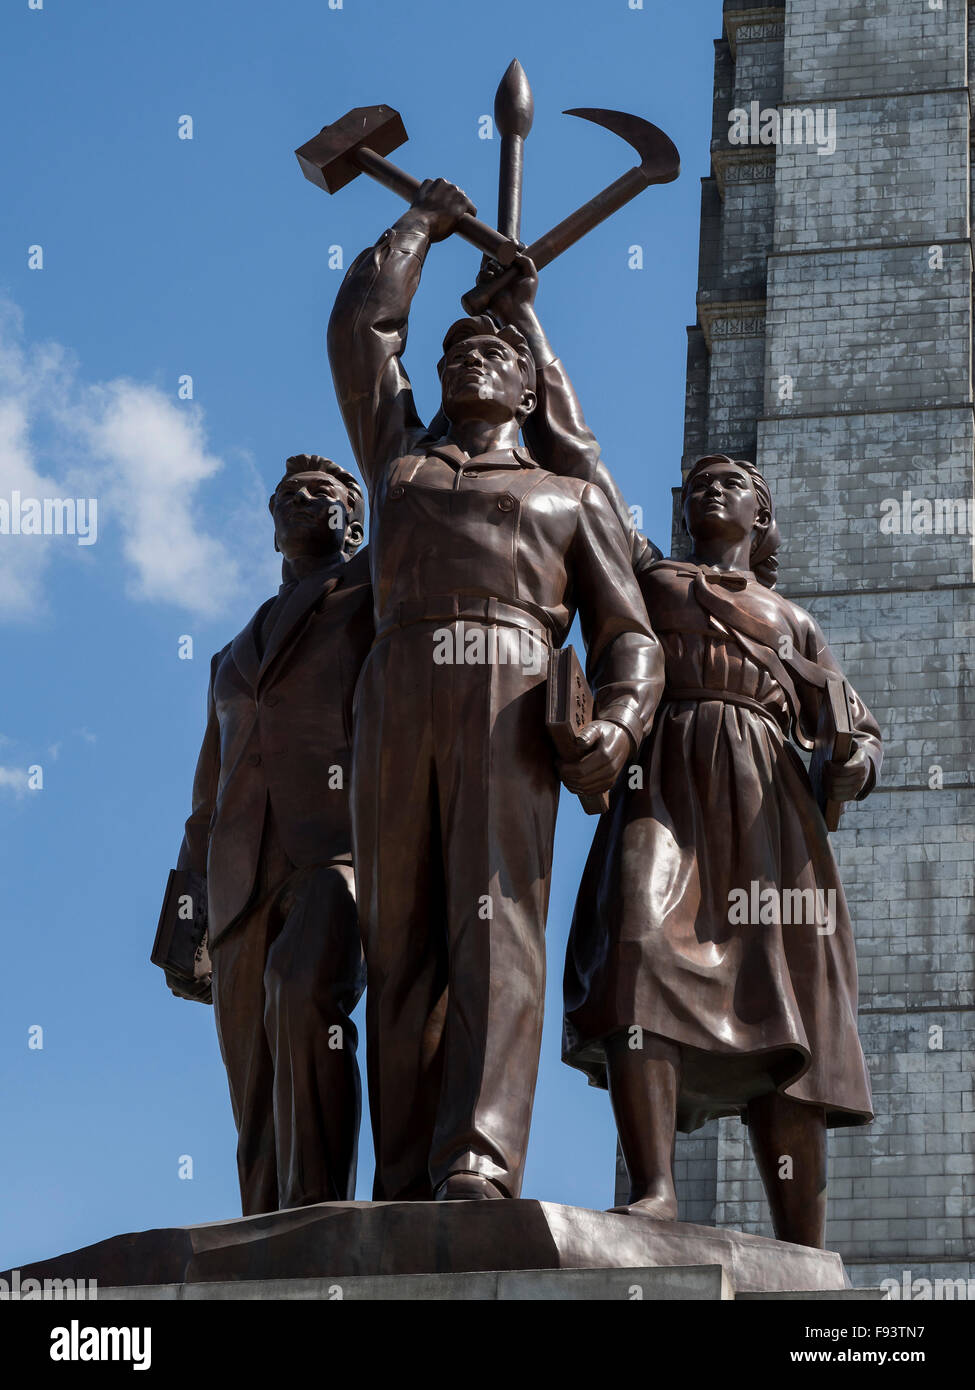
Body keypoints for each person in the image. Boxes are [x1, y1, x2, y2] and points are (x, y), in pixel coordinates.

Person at [328, 178, 664, 1203]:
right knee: (400, 939)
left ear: (530, 392)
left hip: (512, 698)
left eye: (496, 353)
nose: (468, 356)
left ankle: (478, 1152)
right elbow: (361, 333)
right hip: (398, 689)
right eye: (455, 352)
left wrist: (617, 720)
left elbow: (629, 634)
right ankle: (402, 1170)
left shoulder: (567, 497)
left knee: (495, 930)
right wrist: (419, 225)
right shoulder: (398, 467)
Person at [562, 452, 883, 1247]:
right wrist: (532, 341)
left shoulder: (792, 620)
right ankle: (654, 1191)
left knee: (788, 1009)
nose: (712, 489)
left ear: (761, 520)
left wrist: (850, 762)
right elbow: (586, 470)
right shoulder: (652, 576)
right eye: (700, 482)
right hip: (664, 783)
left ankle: (802, 1245)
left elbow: (859, 732)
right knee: (633, 940)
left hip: (770, 813)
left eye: (732, 483)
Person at [170, 454, 372, 1215]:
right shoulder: (229, 655)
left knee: (302, 995)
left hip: (338, 845)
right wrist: (185, 914)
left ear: (354, 517)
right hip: (235, 872)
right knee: (250, 1068)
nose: (303, 502)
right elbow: (205, 795)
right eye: (289, 495)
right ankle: (263, 1230)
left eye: (323, 493)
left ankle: (318, 1210)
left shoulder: (374, 593)